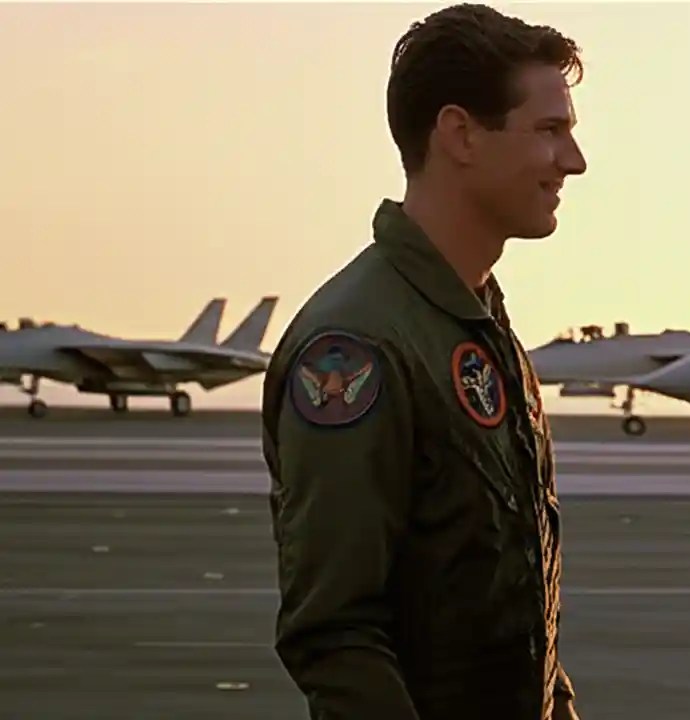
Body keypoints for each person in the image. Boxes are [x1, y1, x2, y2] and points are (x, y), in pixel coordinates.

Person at [260, 5, 588, 719]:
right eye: (550, 130)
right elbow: (336, 633)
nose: (574, 159)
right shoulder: (358, 346)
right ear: (460, 134)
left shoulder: (477, 326)